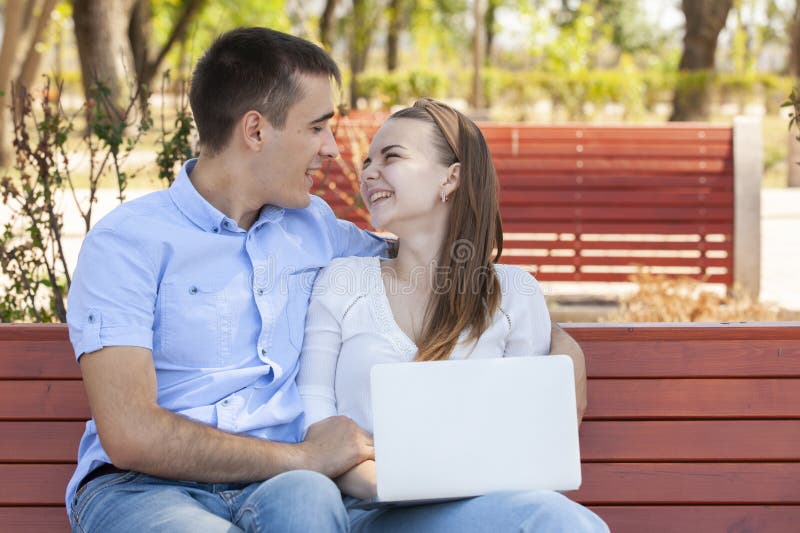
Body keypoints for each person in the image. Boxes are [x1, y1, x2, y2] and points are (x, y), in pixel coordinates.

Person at [66, 26, 587, 532]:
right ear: (255, 131)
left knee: (311, 498)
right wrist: (305, 455)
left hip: (288, 483)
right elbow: (132, 433)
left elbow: (430, 262)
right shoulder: (128, 244)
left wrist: (553, 339)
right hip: (147, 487)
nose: (334, 150)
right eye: (317, 127)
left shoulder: (313, 230)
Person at [297, 98, 608, 532]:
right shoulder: (343, 282)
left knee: (554, 519)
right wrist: (387, 481)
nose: (368, 172)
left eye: (392, 157)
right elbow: (316, 425)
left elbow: (532, 444)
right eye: (368, 160)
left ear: (452, 177)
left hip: (485, 508)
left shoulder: (515, 294)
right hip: (372, 511)